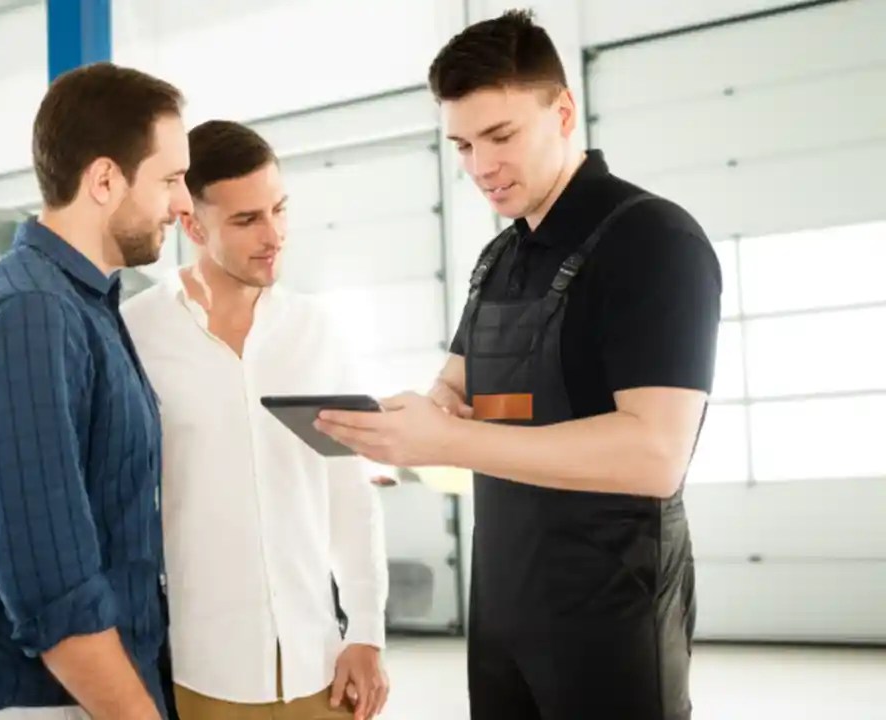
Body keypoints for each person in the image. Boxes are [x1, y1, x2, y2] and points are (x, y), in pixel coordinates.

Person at [315, 10, 721, 720]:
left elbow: (656, 454)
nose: (479, 167)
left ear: (563, 112)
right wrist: (398, 428)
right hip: (503, 602)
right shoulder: (500, 257)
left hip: (610, 611)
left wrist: (448, 441)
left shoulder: (653, 241)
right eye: (463, 144)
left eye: (500, 136)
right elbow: (457, 388)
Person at [0, 62, 193, 720]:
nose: (184, 205)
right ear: (105, 180)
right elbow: (54, 589)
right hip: (45, 698)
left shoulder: (86, 305)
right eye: (171, 180)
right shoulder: (31, 315)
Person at [121, 120, 391, 720]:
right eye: (247, 220)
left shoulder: (316, 330)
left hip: (320, 666)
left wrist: (366, 632)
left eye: (279, 209)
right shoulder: (136, 333)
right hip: (197, 671)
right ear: (191, 223)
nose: (275, 236)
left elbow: (349, 492)